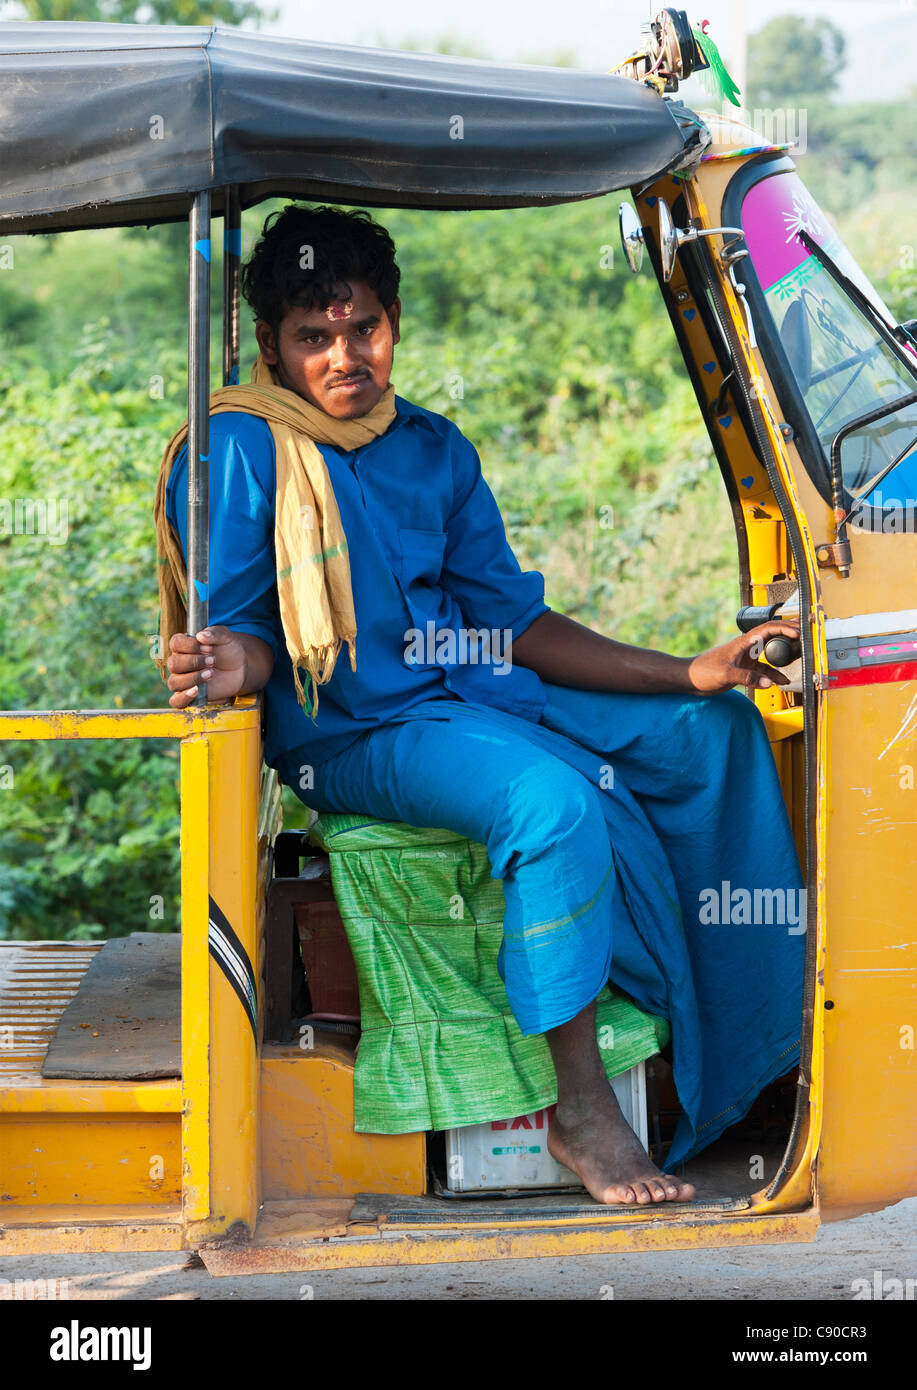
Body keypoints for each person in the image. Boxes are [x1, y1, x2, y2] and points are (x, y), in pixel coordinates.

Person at [156, 204, 804, 1207]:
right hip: (356, 732)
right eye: (312, 339)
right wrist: (220, 662)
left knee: (708, 735)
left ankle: (754, 1053)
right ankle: (581, 1109)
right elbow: (248, 637)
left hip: (471, 688)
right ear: (276, 352)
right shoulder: (245, 449)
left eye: (361, 328)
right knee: (549, 807)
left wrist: (686, 671)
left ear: (395, 320)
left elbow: (512, 623)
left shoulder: (430, 446)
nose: (343, 358)